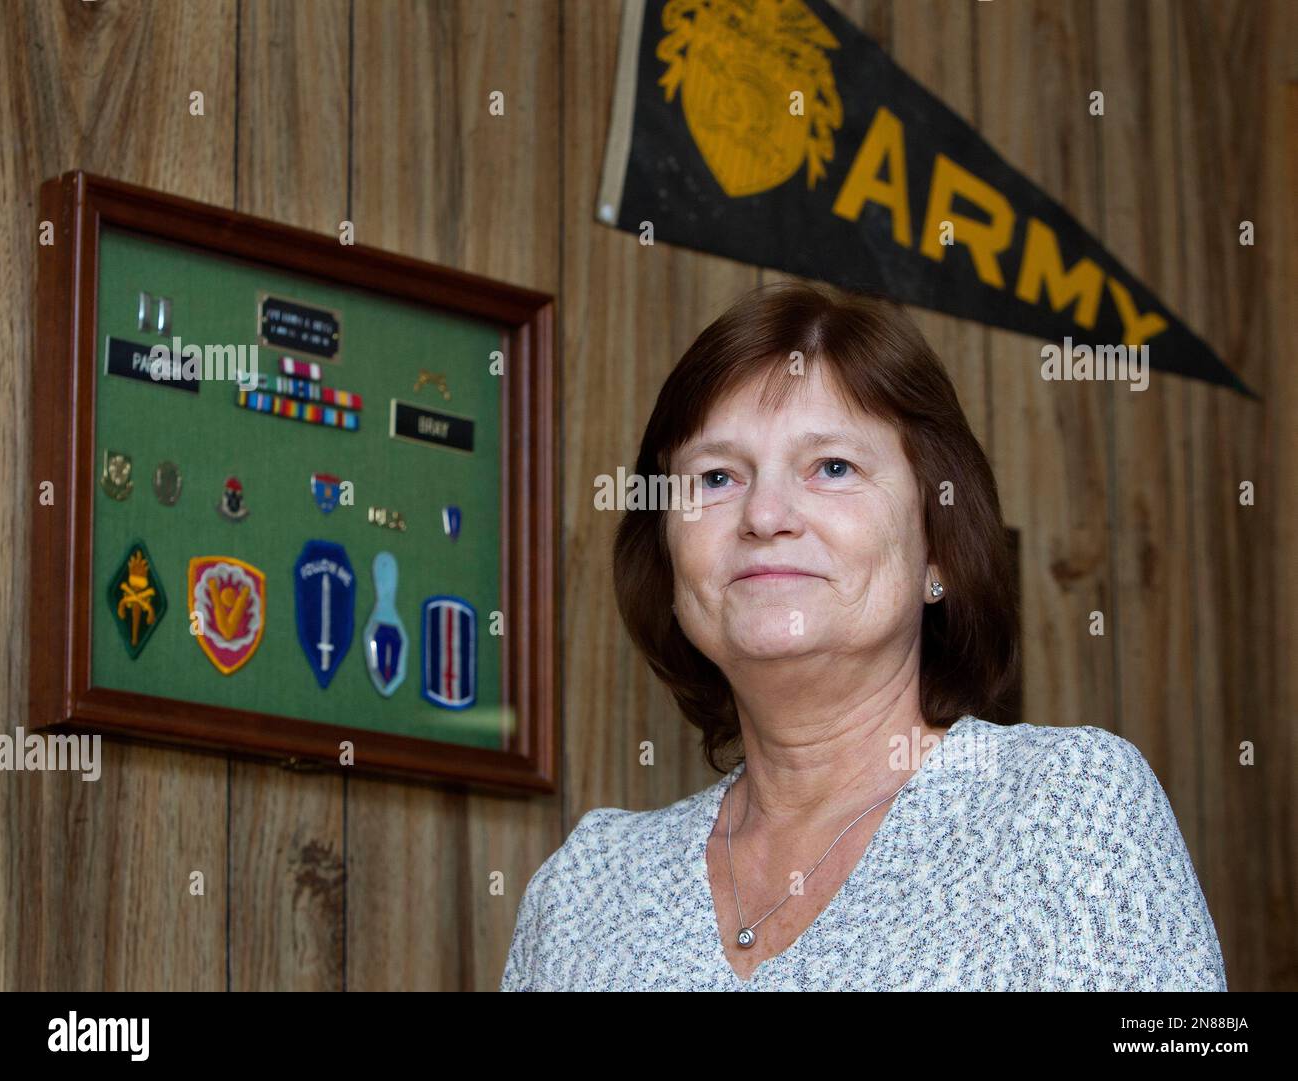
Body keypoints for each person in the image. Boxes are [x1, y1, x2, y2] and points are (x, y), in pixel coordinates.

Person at [501, 279, 1227, 991]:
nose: (766, 514)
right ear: (665, 555)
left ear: (938, 549)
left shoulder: (1067, 806)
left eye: (833, 466)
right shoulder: (586, 886)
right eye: (717, 477)